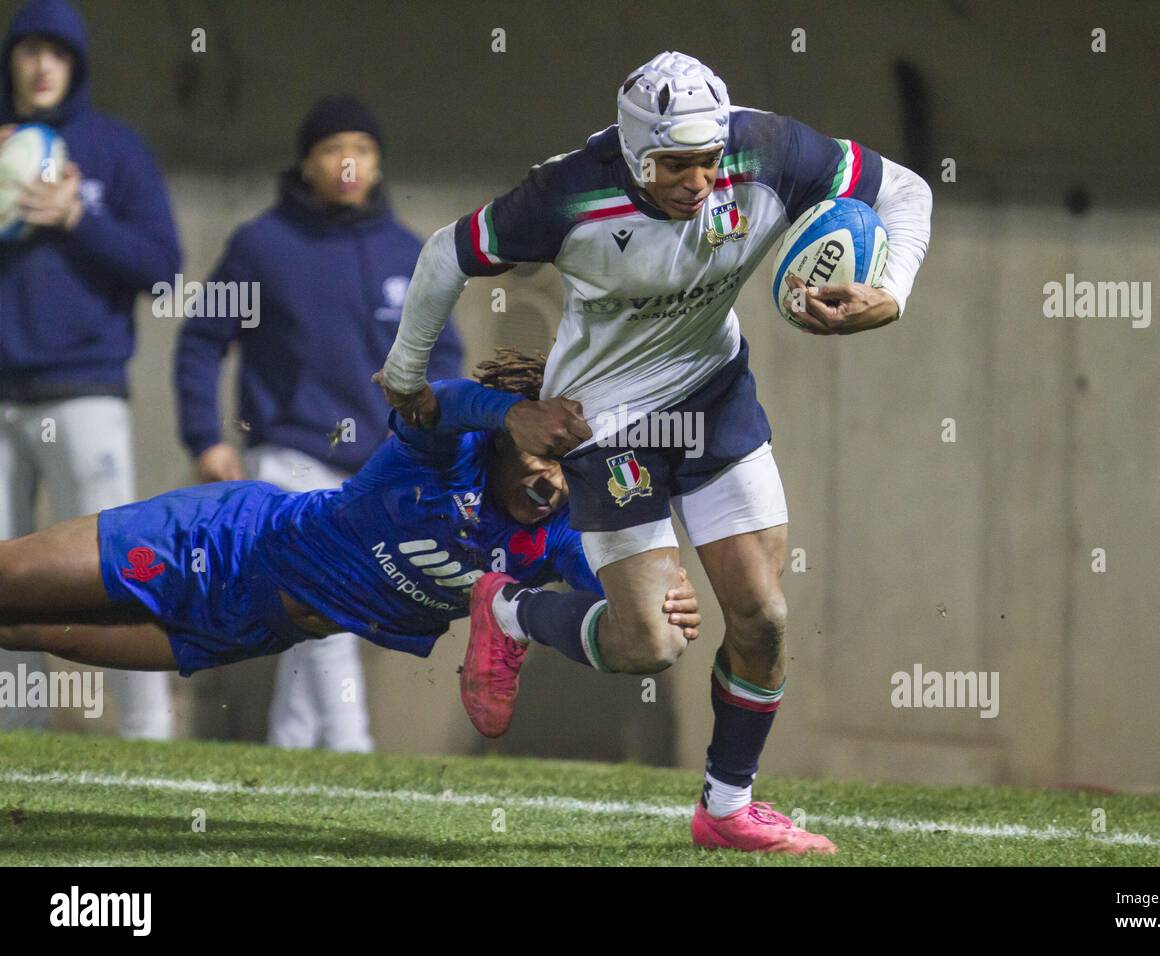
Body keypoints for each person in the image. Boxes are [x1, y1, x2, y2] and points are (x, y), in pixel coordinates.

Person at [378, 51, 933, 854]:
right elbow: (443, 256)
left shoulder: (769, 152)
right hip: (606, 423)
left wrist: (894, 292)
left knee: (764, 616)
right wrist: (405, 375)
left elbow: (906, 191)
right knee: (649, 647)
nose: (698, 182)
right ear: (636, 153)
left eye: (708, 162)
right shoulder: (569, 192)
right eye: (675, 164)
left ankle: (727, 807)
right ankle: (509, 609)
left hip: (715, 393)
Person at [0, 355, 701, 713]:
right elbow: (438, 400)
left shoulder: (558, 542)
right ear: (509, 437)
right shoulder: (443, 452)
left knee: (18, 631)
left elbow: (619, 612)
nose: (552, 477)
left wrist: (664, 601)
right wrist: (510, 410)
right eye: (542, 451)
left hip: (248, 632)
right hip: (217, 542)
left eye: (567, 465)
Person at [174, 94, 464, 753]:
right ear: (306, 163)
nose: (349, 163)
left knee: (319, 615)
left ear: (380, 162)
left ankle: (292, 747)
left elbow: (445, 357)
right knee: (329, 600)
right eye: (333, 149)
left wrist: (430, 445)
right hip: (290, 452)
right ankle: (352, 749)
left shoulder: (408, 253)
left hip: (382, 464)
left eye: (362, 149)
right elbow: (199, 341)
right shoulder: (262, 246)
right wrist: (205, 437)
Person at [0, 0, 181, 739]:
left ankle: (148, 735)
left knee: (118, 565)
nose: (42, 65)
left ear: (75, 64)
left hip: (86, 393)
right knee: (5, 578)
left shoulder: (115, 150)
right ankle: (18, 738)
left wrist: (78, 219)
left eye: (57, 52)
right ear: (10, 59)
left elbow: (162, 266)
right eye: (28, 50)